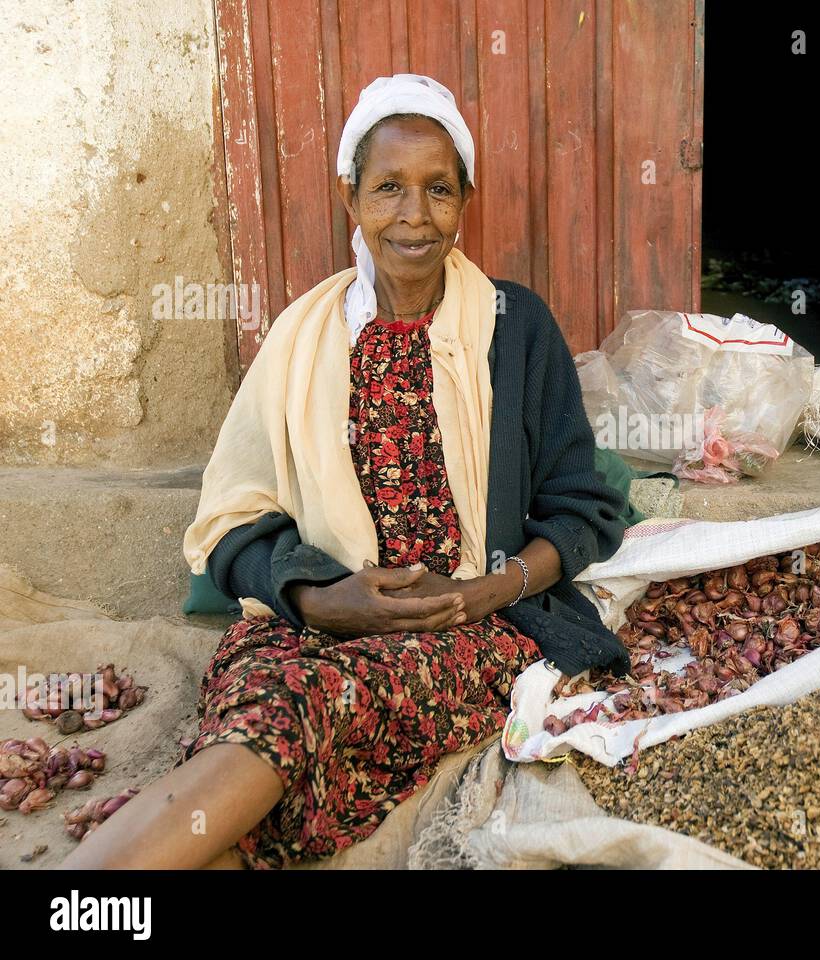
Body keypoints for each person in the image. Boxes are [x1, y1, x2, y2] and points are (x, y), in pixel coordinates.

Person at [63, 74, 629, 869]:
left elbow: (581, 512)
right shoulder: (304, 339)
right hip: (311, 619)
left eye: (438, 189)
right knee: (268, 699)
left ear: (465, 198)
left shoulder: (515, 324)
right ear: (350, 196)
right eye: (388, 187)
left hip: (464, 632)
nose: (414, 214)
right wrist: (319, 599)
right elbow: (233, 520)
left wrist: (481, 591)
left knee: (301, 710)